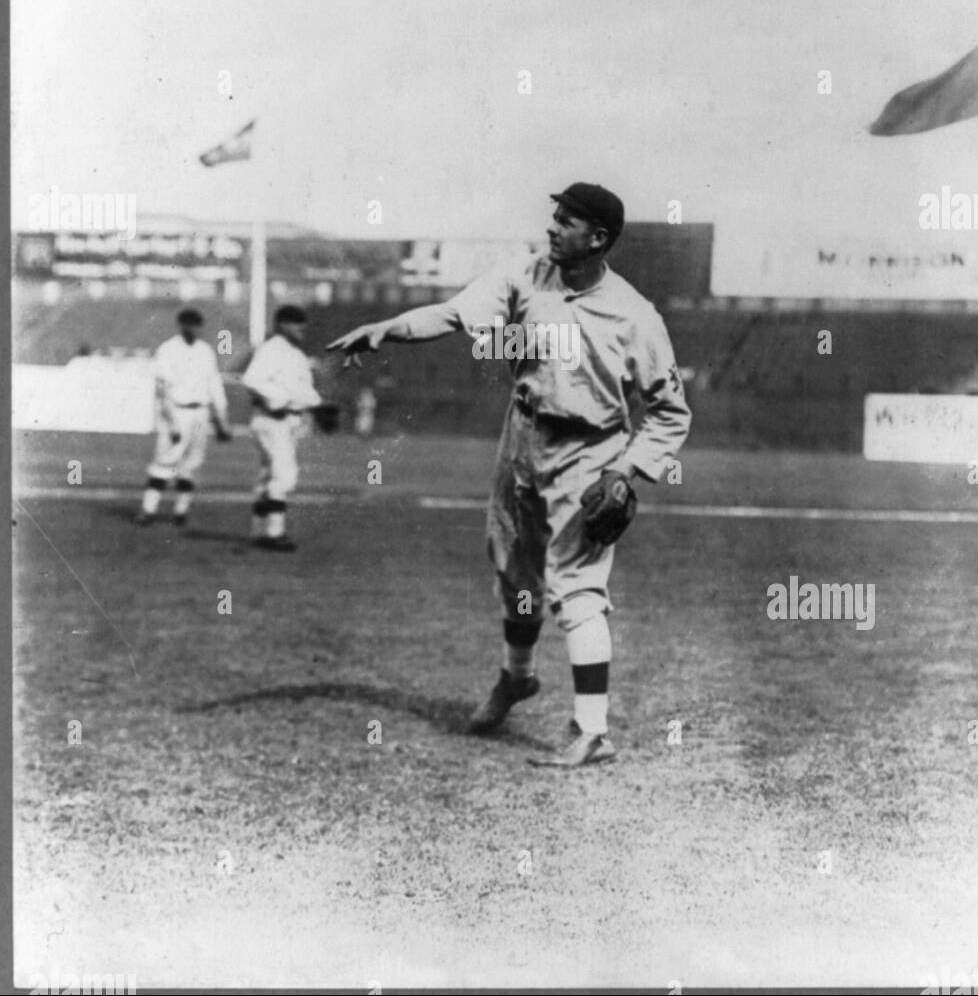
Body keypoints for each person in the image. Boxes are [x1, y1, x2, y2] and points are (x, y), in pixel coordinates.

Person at [327, 183, 692, 768]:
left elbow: (670, 412)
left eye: (566, 221)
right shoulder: (527, 275)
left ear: (597, 238)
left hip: (589, 450)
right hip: (523, 435)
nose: (552, 228)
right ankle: (516, 678)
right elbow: (452, 314)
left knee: (575, 585)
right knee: (514, 568)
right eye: (554, 217)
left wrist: (626, 472)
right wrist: (386, 328)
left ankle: (593, 731)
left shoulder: (634, 315)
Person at [137, 308, 232, 527]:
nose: (193, 328)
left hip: (200, 411)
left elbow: (214, 386)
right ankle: (148, 509)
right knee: (165, 460)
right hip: (177, 410)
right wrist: (171, 421)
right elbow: (162, 388)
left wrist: (222, 420)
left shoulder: (206, 351)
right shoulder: (168, 349)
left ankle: (181, 510)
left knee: (191, 463)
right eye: (189, 324)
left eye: (196, 324)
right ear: (181, 325)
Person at [242, 304, 323, 551]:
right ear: (282, 325)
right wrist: (279, 399)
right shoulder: (271, 349)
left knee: (269, 476)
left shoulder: (295, 354)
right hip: (271, 419)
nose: (301, 328)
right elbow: (251, 379)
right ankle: (274, 533)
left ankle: (258, 531)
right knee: (284, 475)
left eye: (302, 324)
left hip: (287, 421)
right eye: (296, 323)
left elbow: (304, 389)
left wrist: (319, 405)